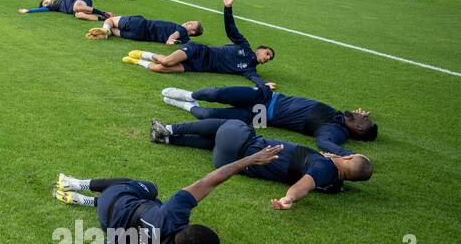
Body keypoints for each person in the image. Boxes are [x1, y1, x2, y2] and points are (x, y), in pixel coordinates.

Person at [52, 147, 321, 244]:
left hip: (118, 200)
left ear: (187, 226)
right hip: (108, 227)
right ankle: (84, 199)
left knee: (148, 188)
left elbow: (211, 179)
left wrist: (250, 160)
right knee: (142, 201)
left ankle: (80, 185)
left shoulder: (173, 214)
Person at [149, 117, 373, 210]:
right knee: (215, 141)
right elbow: (319, 178)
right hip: (227, 162)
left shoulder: (323, 168)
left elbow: (303, 185)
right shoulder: (333, 183)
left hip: (242, 144)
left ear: (348, 158)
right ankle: (167, 139)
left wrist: (289, 198)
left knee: (232, 124)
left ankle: (170, 129)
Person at [121, 0, 273, 90]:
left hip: (198, 66)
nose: (267, 58)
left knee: (160, 68)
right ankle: (142, 53)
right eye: (267, 54)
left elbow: (256, 79)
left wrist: (265, 86)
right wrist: (228, 8)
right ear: (259, 49)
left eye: (269, 59)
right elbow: (231, 29)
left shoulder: (249, 69)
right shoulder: (244, 46)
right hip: (198, 51)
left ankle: (136, 60)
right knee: (166, 61)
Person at [160, 85, 376, 154]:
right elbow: (356, 118)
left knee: (206, 115)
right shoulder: (343, 117)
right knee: (217, 93)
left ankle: (187, 104)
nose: (359, 114)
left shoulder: (335, 130)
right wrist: (361, 117)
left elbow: (324, 143)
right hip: (267, 96)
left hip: (263, 116)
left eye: (361, 119)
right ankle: (189, 95)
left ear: (357, 128)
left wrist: (351, 155)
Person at [87, 15, 204, 45]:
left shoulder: (182, 30)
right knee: (114, 31)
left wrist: (170, 39)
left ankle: (105, 30)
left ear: (192, 32)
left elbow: (175, 34)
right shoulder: (185, 40)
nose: (189, 22)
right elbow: (188, 42)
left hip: (141, 24)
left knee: (111, 21)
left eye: (192, 24)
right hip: (140, 37)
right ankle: (107, 33)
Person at [19, 0, 109, 21]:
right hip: (77, 9)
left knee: (76, 7)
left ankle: (103, 13)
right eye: (45, 4)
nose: (46, 4)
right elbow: (41, 10)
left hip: (81, 1)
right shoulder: (54, 7)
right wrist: (28, 10)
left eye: (46, 2)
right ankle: (103, 19)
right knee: (79, 15)